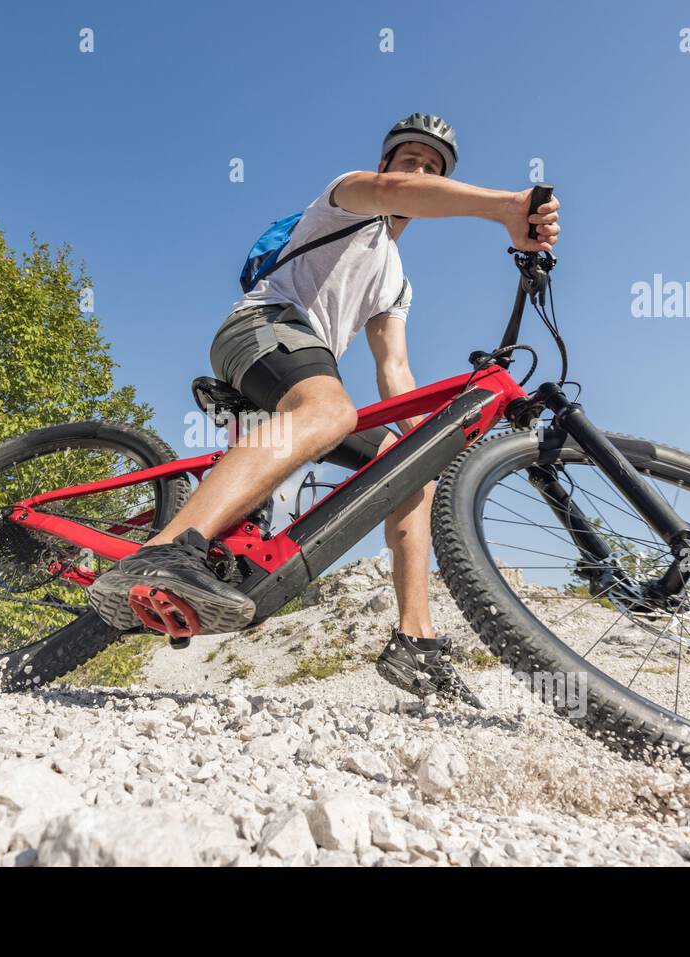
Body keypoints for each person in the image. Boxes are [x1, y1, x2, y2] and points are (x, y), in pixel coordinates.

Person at [89, 113, 561, 706]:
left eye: (433, 166)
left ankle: (416, 641)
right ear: (387, 164)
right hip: (261, 328)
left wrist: (434, 445)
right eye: (410, 159)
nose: (419, 170)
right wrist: (506, 206)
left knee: (407, 465)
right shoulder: (348, 196)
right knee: (330, 410)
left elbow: (394, 371)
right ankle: (167, 550)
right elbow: (393, 194)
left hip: (304, 362)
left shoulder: (396, 280)